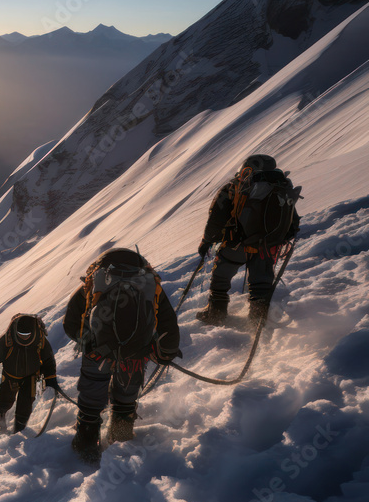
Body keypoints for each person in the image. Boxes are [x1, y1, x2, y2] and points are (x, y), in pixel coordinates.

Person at [64, 248, 182, 463]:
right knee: (126, 395)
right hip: (136, 354)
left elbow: (71, 321)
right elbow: (167, 323)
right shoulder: (150, 285)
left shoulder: (95, 282)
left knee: (92, 393)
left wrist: (90, 342)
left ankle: (86, 442)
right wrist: (165, 353)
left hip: (97, 354)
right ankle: (121, 436)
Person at [196, 155, 301, 327]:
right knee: (260, 282)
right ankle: (257, 320)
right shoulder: (279, 187)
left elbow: (216, 219)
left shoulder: (234, 187)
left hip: (237, 243)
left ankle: (216, 312)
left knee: (221, 275)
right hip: (267, 245)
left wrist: (206, 241)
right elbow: (293, 220)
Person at [0, 314, 59, 434]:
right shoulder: (7, 339)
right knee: (5, 401)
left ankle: (19, 430)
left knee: (25, 405)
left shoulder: (39, 339)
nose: (24, 338)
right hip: (10, 376)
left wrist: (51, 379)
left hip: (31, 377)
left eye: (27, 335)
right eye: (21, 335)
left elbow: (48, 360)